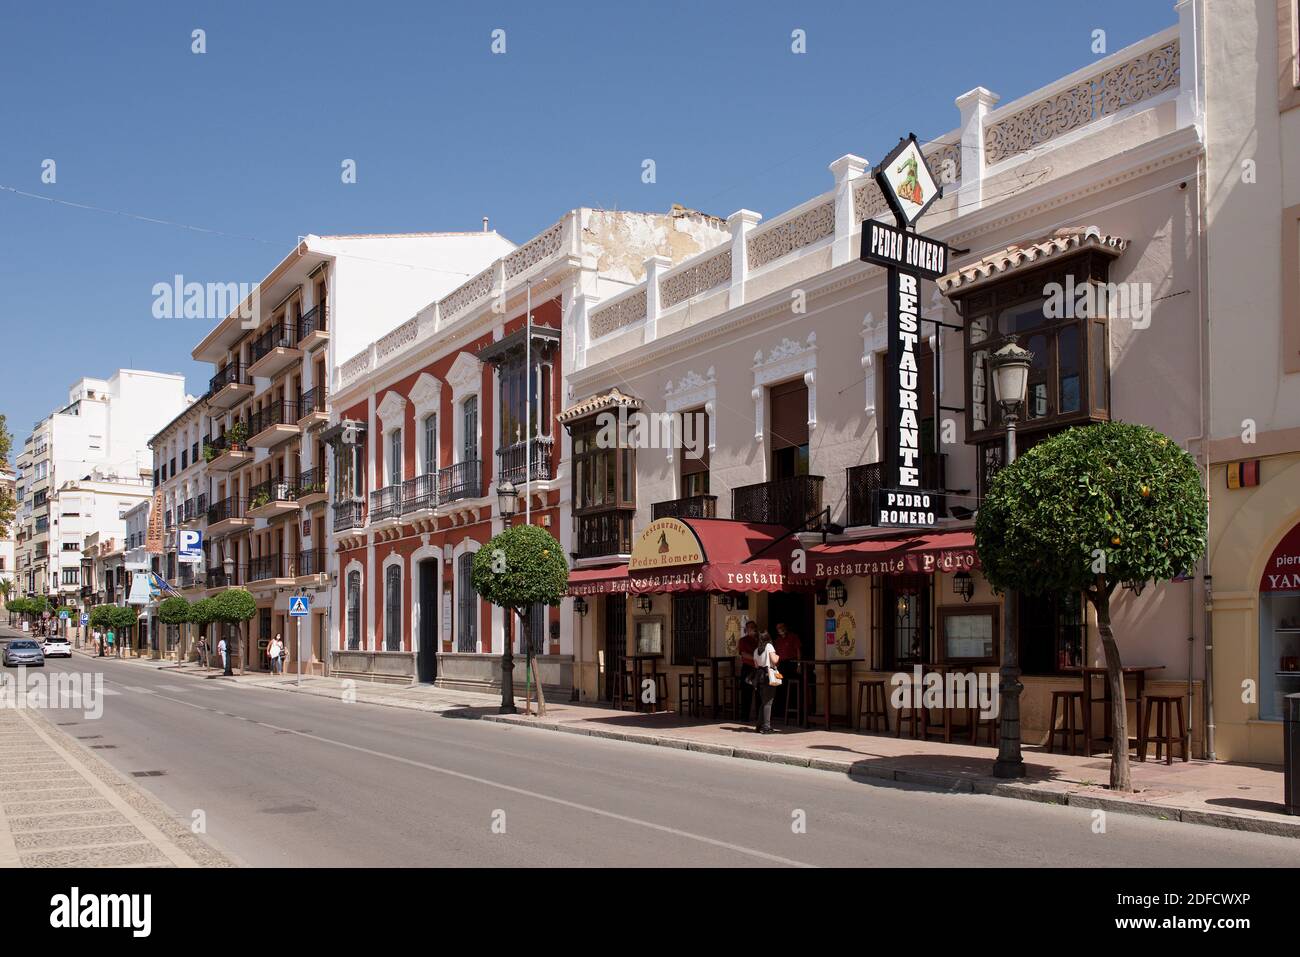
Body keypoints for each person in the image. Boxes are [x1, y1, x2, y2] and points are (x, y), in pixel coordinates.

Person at [753, 631, 780, 734]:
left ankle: (759, 725)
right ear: (768, 639)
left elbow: (756, 665)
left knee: (763, 702)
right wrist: (778, 657)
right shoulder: (769, 646)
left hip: (759, 677)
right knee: (768, 702)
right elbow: (775, 660)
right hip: (768, 676)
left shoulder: (756, 651)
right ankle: (766, 727)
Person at [773, 622, 801, 718]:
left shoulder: (793, 637)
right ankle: (781, 712)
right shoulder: (777, 640)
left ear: (786, 627)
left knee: (793, 688)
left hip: (792, 664)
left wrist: (799, 664)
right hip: (781, 666)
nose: (781, 629)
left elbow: (798, 651)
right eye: (778, 628)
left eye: (782, 627)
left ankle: (795, 713)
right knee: (780, 687)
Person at [738, 620, 759, 723]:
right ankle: (744, 716)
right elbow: (743, 654)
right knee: (746, 693)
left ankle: (760, 716)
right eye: (750, 627)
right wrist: (756, 658)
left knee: (760, 692)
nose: (753, 629)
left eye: (754, 627)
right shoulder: (743, 640)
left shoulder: (759, 640)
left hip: (759, 668)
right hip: (748, 668)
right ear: (746, 629)